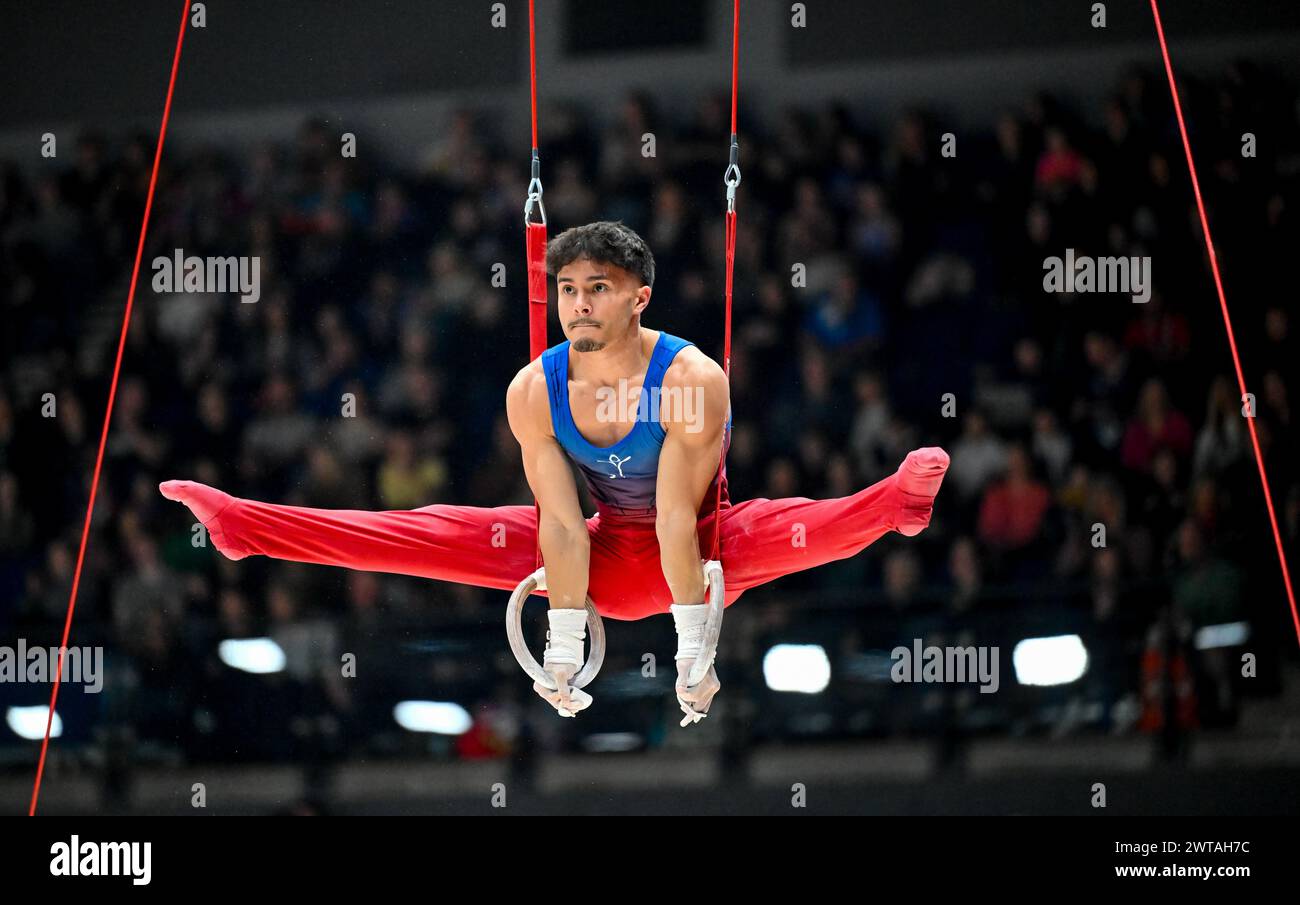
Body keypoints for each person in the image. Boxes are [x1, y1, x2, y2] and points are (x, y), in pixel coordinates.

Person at [160, 222, 950, 726]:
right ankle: (244, 525)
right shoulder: (534, 388)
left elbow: (677, 519)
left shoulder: (693, 379)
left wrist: (694, 660)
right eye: (566, 289)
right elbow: (565, 525)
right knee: (429, 532)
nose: (578, 304)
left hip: (701, 549)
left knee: (791, 526)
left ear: (639, 298)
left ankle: (893, 504)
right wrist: (562, 649)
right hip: (589, 553)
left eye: (596, 289)